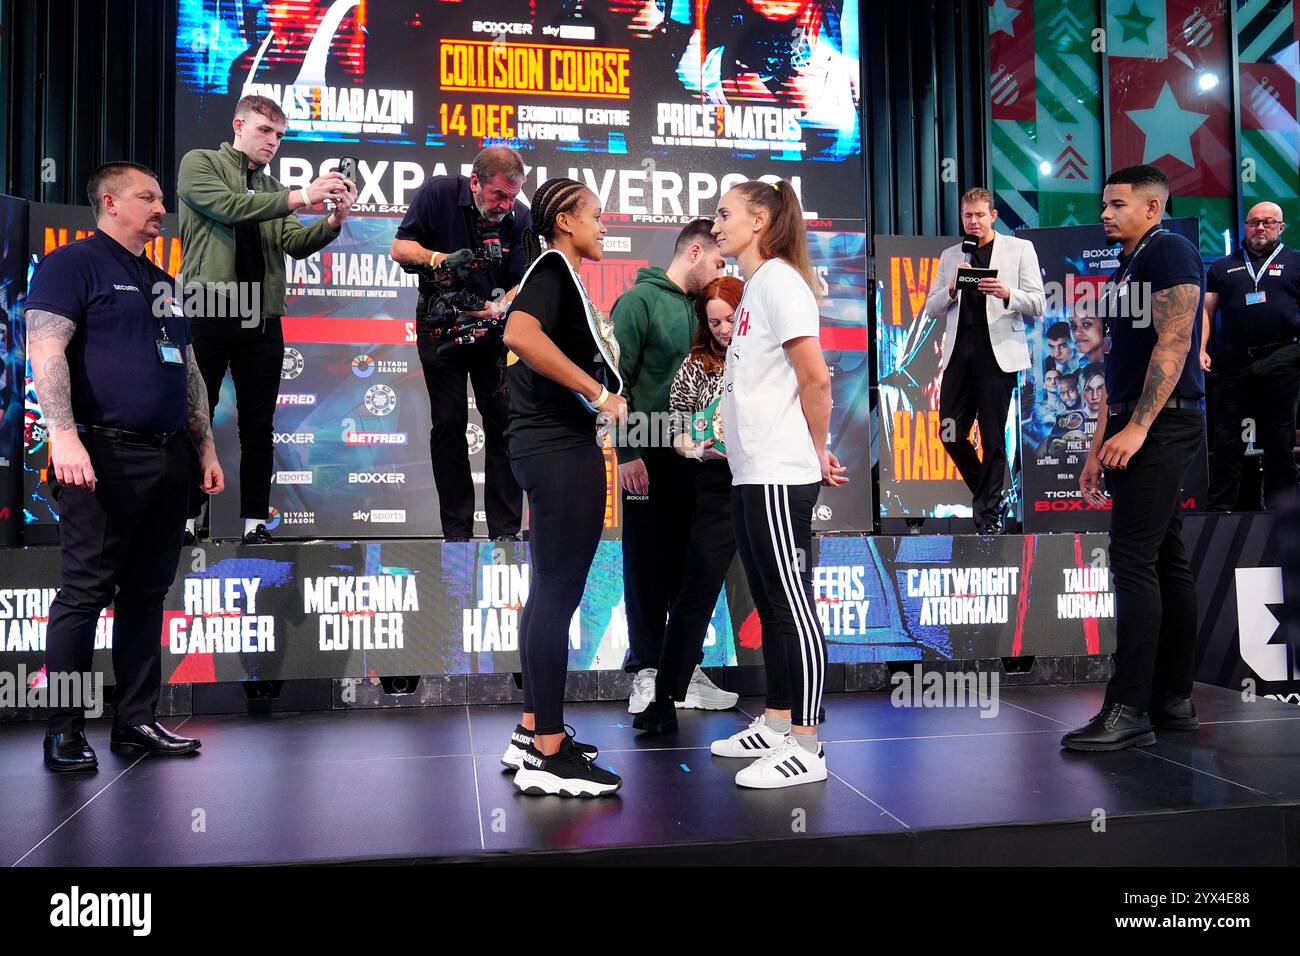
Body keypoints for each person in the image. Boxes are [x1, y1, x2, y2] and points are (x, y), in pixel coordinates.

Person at [27, 162, 225, 771]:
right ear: (109, 202)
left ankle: (135, 719)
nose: (160, 206)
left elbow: (187, 368)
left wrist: (207, 448)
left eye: (162, 197)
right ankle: (63, 729)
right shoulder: (73, 264)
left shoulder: (163, 280)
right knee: (85, 594)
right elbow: (45, 345)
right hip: (98, 454)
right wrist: (62, 434)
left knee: (146, 593)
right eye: (148, 197)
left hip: (168, 457)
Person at [707, 179, 848, 789]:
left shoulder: (784, 282)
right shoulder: (757, 286)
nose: (715, 225)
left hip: (778, 473)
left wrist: (815, 452)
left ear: (760, 219)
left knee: (793, 607)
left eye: (725, 214)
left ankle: (808, 744)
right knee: (771, 602)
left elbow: (815, 378)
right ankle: (777, 719)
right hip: (751, 471)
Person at [1065, 164, 1205, 751]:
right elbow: (1118, 364)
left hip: (1162, 424)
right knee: (1165, 558)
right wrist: (1101, 441)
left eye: (1116, 205)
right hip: (1133, 420)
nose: (1104, 214)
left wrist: (1140, 427)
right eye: (1104, 205)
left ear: (1151, 208)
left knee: (1132, 559)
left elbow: (1176, 343)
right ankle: (1171, 699)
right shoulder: (1128, 266)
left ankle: (1129, 709)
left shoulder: (1168, 251)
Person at [497, 177, 626, 797]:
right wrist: (598, 392)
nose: (605, 224)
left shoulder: (556, 275)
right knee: (555, 593)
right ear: (567, 221)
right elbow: (519, 335)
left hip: (547, 448)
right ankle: (549, 751)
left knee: (547, 591)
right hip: (558, 449)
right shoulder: (552, 266)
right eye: (596, 215)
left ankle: (531, 730)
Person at [178, 94, 355, 545]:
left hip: (262, 316)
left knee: (259, 426)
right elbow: (228, 207)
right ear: (238, 126)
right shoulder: (200, 163)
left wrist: (334, 221)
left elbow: (295, 242)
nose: (273, 141)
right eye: (264, 130)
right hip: (211, 306)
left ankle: (255, 522)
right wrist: (303, 195)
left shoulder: (276, 188)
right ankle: (185, 520)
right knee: (197, 417)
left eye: (279, 134)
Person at [613, 218, 729, 715]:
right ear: (696, 251)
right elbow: (612, 380)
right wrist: (625, 453)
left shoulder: (706, 312)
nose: (725, 269)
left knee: (691, 567)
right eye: (720, 261)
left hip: (695, 457)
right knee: (645, 564)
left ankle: (683, 670)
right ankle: (645, 671)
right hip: (645, 452)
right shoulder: (638, 302)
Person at [390, 146, 532, 541]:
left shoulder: (520, 218)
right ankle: (456, 534)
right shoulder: (438, 193)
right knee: (449, 424)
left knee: (504, 423)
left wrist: (501, 306)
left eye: (513, 195)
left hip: (493, 331)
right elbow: (399, 248)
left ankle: (505, 532)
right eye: (499, 194)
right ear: (475, 182)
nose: (506, 204)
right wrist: (439, 259)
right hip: (440, 326)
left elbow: (525, 280)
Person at [633, 276, 744, 733]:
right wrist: (698, 448)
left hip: (767, 479)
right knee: (694, 589)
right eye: (713, 320)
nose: (722, 327)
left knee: (778, 593)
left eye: (730, 317)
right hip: (715, 482)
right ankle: (664, 695)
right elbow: (677, 431)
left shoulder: (769, 355)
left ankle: (788, 714)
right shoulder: (695, 366)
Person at [924, 187, 1045, 533]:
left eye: (979, 215)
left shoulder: (1020, 249)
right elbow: (931, 308)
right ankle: (989, 494)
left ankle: (987, 516)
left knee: (993, 438)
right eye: (967, 216)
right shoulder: (951, 256)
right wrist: (950, 288)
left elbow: (1038, 303)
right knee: (950, 434)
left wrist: (1007, 293)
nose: (973, 222)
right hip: (960, 354)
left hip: (999, 354)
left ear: (993, 216)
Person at [1202, 201, 1300, 511]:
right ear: (1245, 226)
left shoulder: (1296, 262)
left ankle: (1283, 515)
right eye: (1254, 222)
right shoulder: (1222, 267)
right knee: (1227, 443)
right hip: (1234, 363)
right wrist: (1201, 349)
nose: (1260, 227)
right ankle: (1219, 516)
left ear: (1281, 228)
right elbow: (1207, 311)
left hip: (1283, 357)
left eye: (1268, 223)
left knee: (1280, 443)